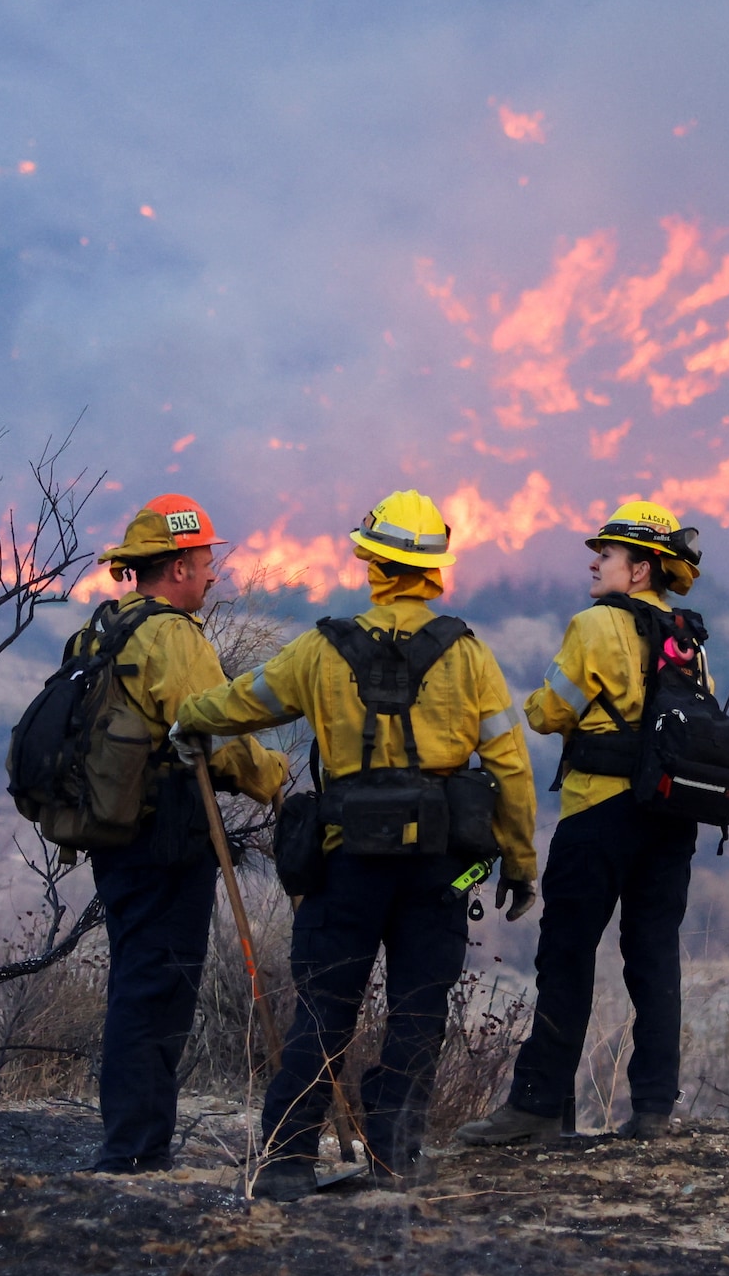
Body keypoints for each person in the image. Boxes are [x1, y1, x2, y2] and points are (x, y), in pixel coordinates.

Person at [175, 488, 538, 1199]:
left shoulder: (321, 648)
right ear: (432, 571)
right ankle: (395, 1159)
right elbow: (511, 766)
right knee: (418, 1013)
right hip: (438, 870)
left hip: (344, 865)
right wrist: (520, 863)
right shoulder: (468, 655)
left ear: (372, 564)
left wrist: (190, 718)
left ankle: (286, 1162)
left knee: (323, 1011)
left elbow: (246, 700)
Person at [459, 500, 707, 1146]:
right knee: (654, 957)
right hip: (671, 817)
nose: (596, 563)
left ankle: (537, 1107)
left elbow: (549, 712)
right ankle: (653, 1109)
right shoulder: (688, 636)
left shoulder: (594, 625)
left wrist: (540, 700)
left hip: (599, 812)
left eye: (608, 554)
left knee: (566, 954)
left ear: (641, 568)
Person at [79, 496, 287, 1175]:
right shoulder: (171, 636)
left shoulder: (106, 629)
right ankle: (135, 1152)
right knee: (159, 989)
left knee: (135, 979)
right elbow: (214, 732)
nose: (212, 573)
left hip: (116, 834)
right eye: (203, 559)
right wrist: (274, 776)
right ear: (175, 566)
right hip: (166, 838)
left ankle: (135, 1140)